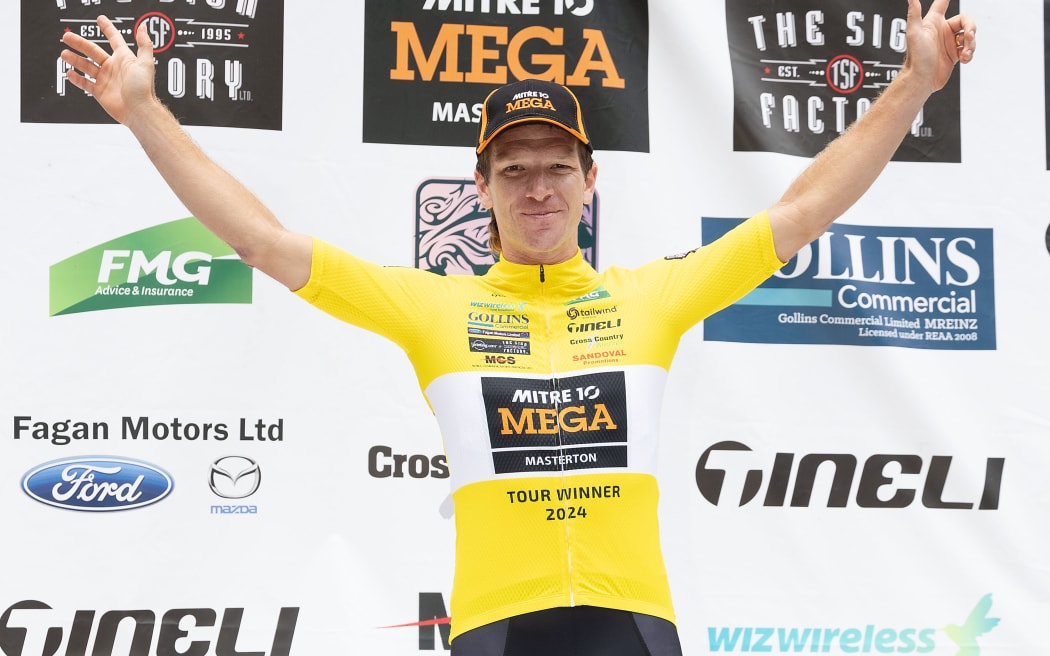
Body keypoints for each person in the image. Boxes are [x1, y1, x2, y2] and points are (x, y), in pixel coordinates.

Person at [59, 2, 976, 654]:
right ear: (483, 189)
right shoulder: (434, 307)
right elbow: (261, 241)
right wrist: (144, 109)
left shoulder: (649, 297)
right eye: (513, 170)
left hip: (634, 623)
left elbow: (806, 209)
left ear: (589, 181)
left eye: (554, 166)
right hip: (495, 627)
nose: (536, 187)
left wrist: (912, 85)